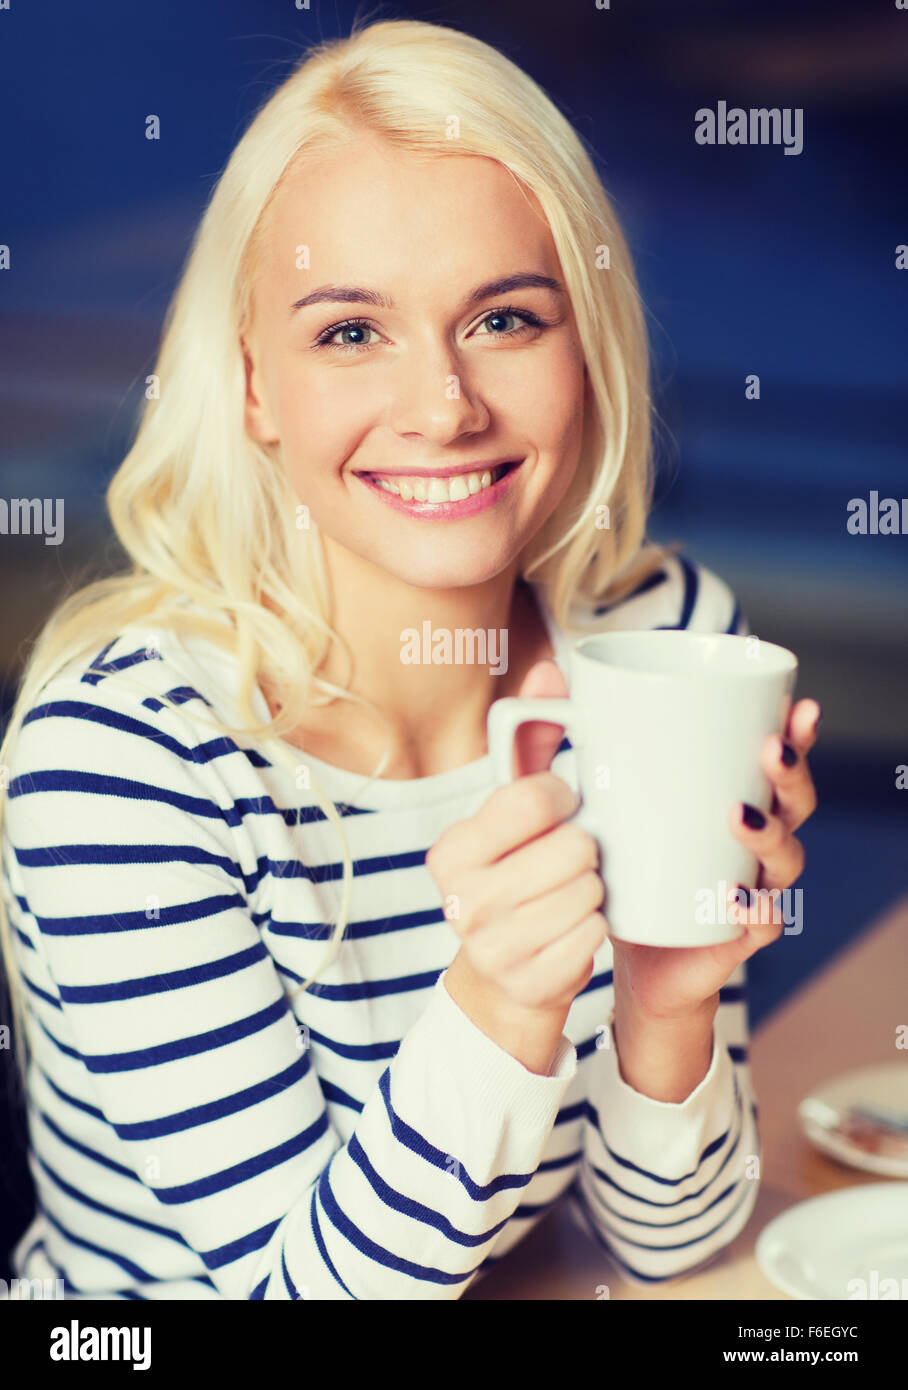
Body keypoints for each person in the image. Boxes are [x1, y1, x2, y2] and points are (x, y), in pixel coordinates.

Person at [0, 18, 819, 1300]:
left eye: (503, 317)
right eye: (348, 332)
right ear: (254, 386)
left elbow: (661, 1239)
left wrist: (669, 993)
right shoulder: (127, 760)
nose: (443, 405)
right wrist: (497, 1001)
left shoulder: (663, 650)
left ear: (585, 350)